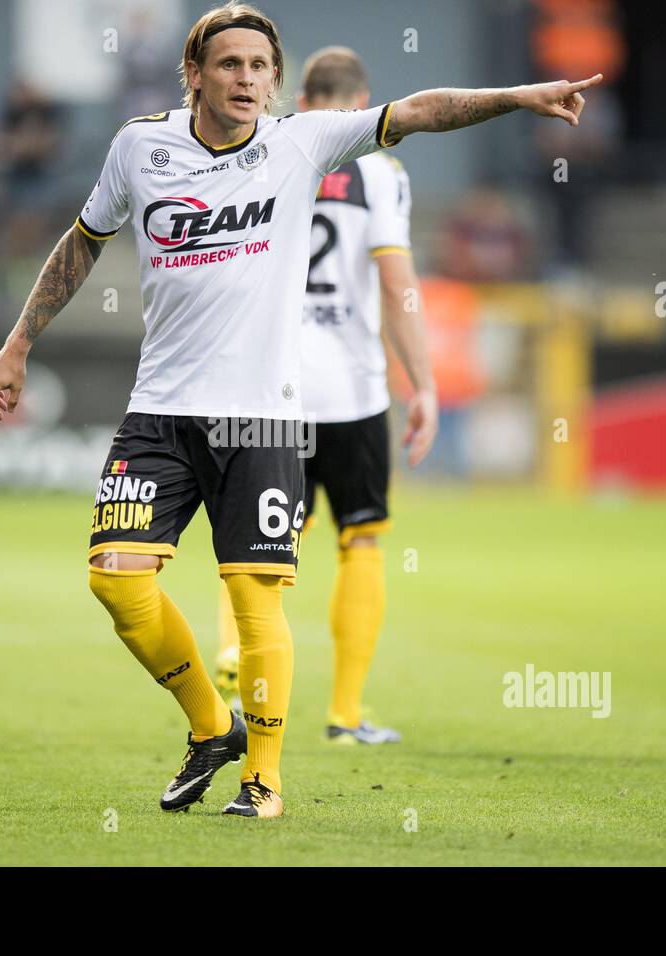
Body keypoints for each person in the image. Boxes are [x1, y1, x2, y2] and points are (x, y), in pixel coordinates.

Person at [0, 0, 601, 819]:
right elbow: (84, 240)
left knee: (257, 602)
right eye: (230, 65)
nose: (248, 81)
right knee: (116, 582)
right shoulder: (139, 146)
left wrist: (517, 95)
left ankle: (263, 780)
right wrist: (19, 342)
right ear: (193, 73)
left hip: (263, 417)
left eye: (261, 68)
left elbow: (425, 109)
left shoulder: (304, 141)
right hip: (159, 411)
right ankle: (209, 726)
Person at [212, 46, 437, 745]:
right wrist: (423, 383)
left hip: (269, 384)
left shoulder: (264, 153)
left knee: (264, 540)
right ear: (365, 102)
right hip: (349, 390)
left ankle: (231, 655)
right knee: (361, 537)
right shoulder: (379, 170)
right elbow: (397, 286)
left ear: (299, 98)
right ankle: (344, 715)